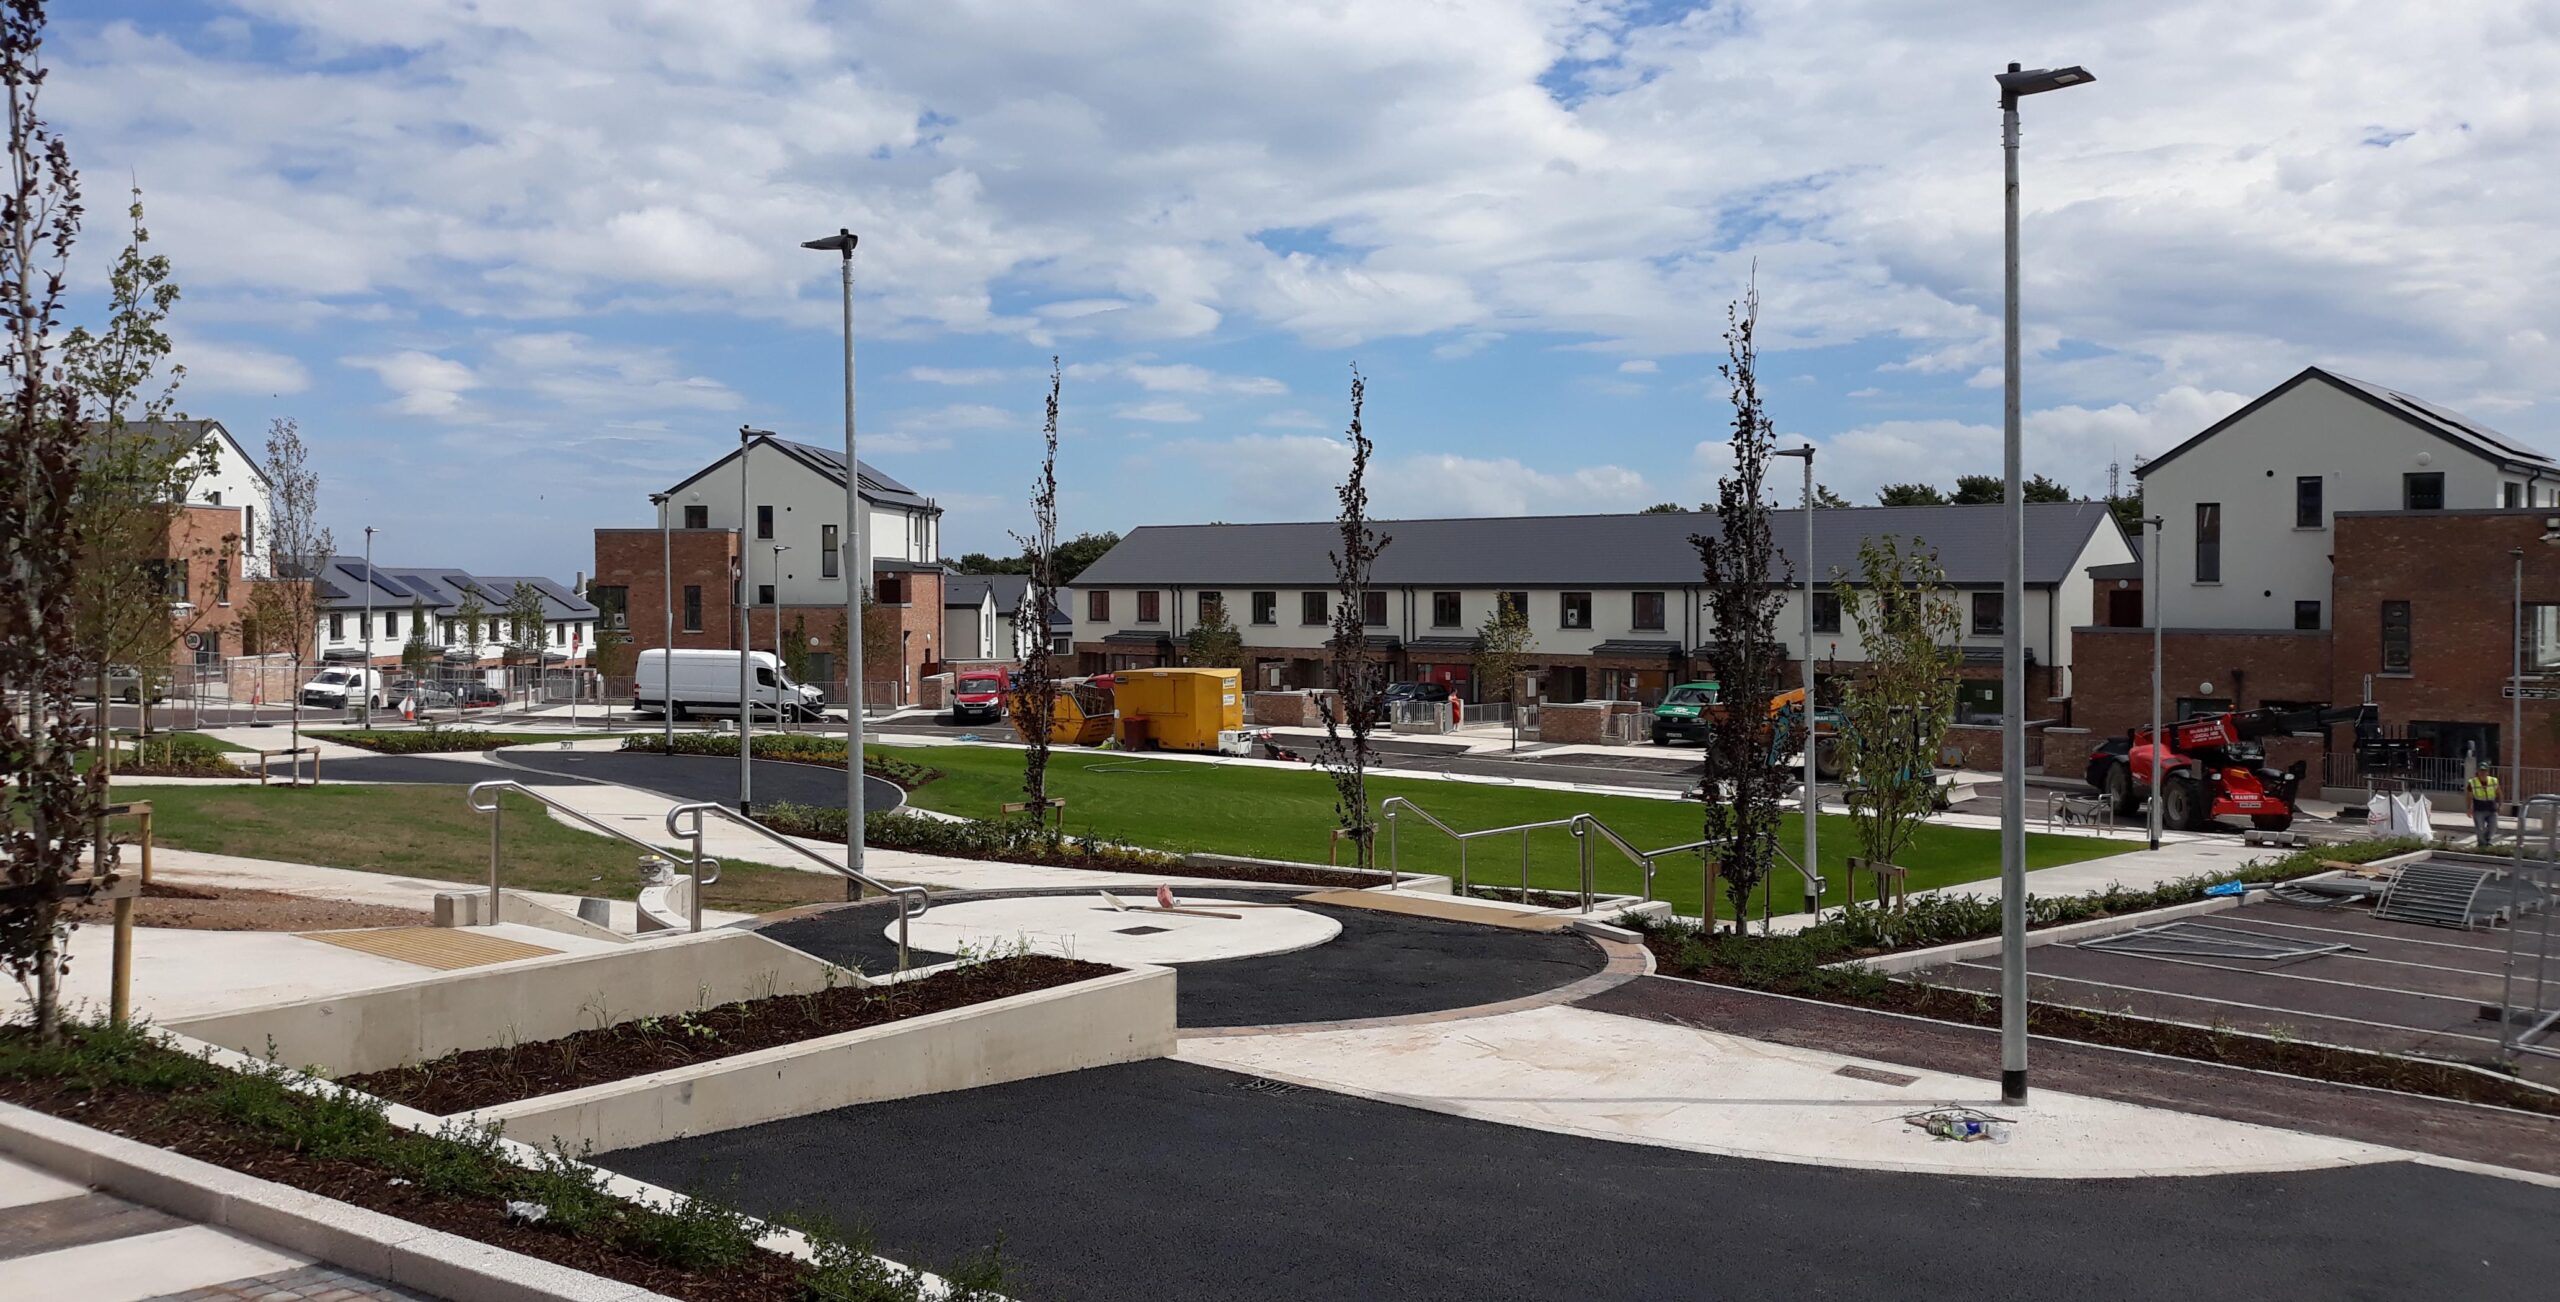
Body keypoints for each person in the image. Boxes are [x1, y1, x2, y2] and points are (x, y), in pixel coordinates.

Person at [2469, 768, 2502, 849]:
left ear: (2488, 772)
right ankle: (2482, 845)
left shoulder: (2494, 781)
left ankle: (2486, 840)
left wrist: (2500, 805)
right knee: (2480, 828)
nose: (2482, 773)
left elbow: (2499, 793)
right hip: (2478, 809)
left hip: (2491, 808)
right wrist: (2469, 808)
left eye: (2484, 771)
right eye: (2481, 771)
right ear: (2478, 772)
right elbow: (2469, 796)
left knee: (2493, 827)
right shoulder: (2472, 782)